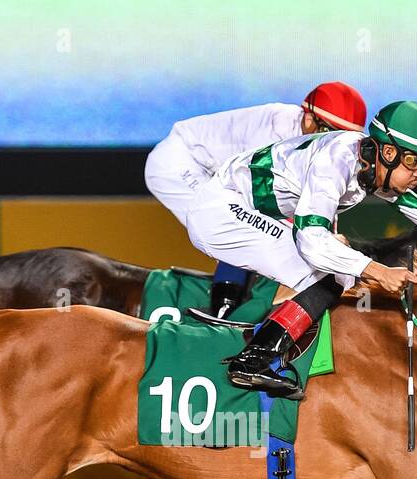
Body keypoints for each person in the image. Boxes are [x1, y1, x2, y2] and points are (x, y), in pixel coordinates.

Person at [180, 99, 417, 398]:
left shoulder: (368, 163)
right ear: (388, 152)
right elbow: (311, 239)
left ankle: (264, 349)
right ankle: (253, 358)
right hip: (220, 212)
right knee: (329, 272)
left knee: (338, 275)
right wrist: (376, 270)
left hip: (238, 208)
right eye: (414, 162)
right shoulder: (336, 161)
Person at [144, 82, 368, 317]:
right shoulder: (276, 132)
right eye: (329, 132)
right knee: (238, 224)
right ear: (309, 118)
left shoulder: (312, 138)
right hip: (179, 164)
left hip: (214, 171)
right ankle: (223, 311)